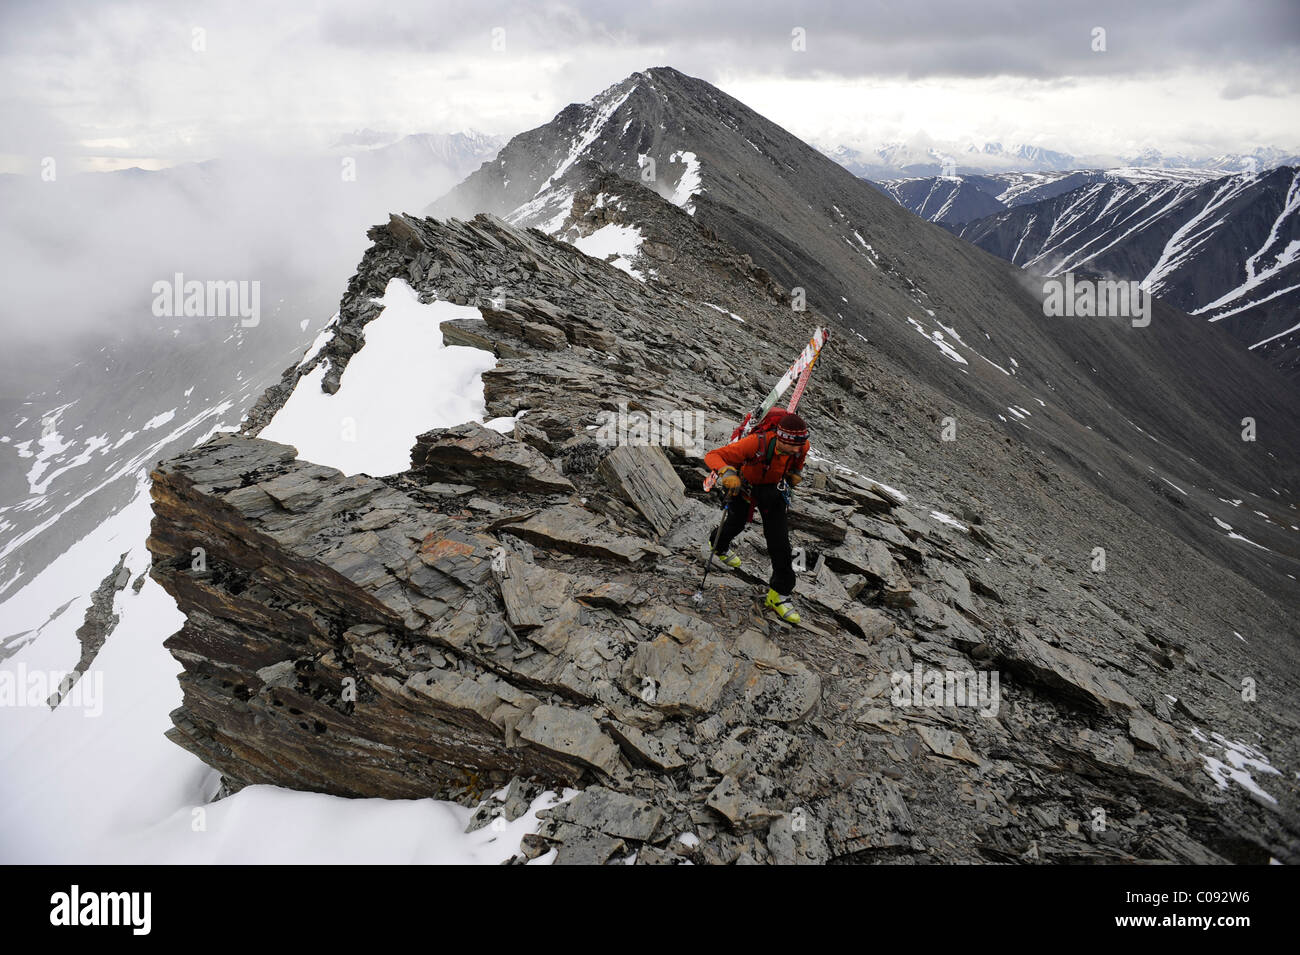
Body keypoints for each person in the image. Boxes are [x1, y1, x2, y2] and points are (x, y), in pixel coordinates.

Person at [702, 412, 810, 623]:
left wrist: (796, 471)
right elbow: (713, 455)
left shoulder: (801, 446)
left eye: (800, 445)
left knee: (780, 544)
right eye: (793, 446)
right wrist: (726, 472)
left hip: (773, 491)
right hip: (745, 488)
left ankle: (779, 594)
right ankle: (718, 545)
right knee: (736, 522)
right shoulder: (756, 443)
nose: (798, 449)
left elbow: (800, 459)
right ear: (781, 439)